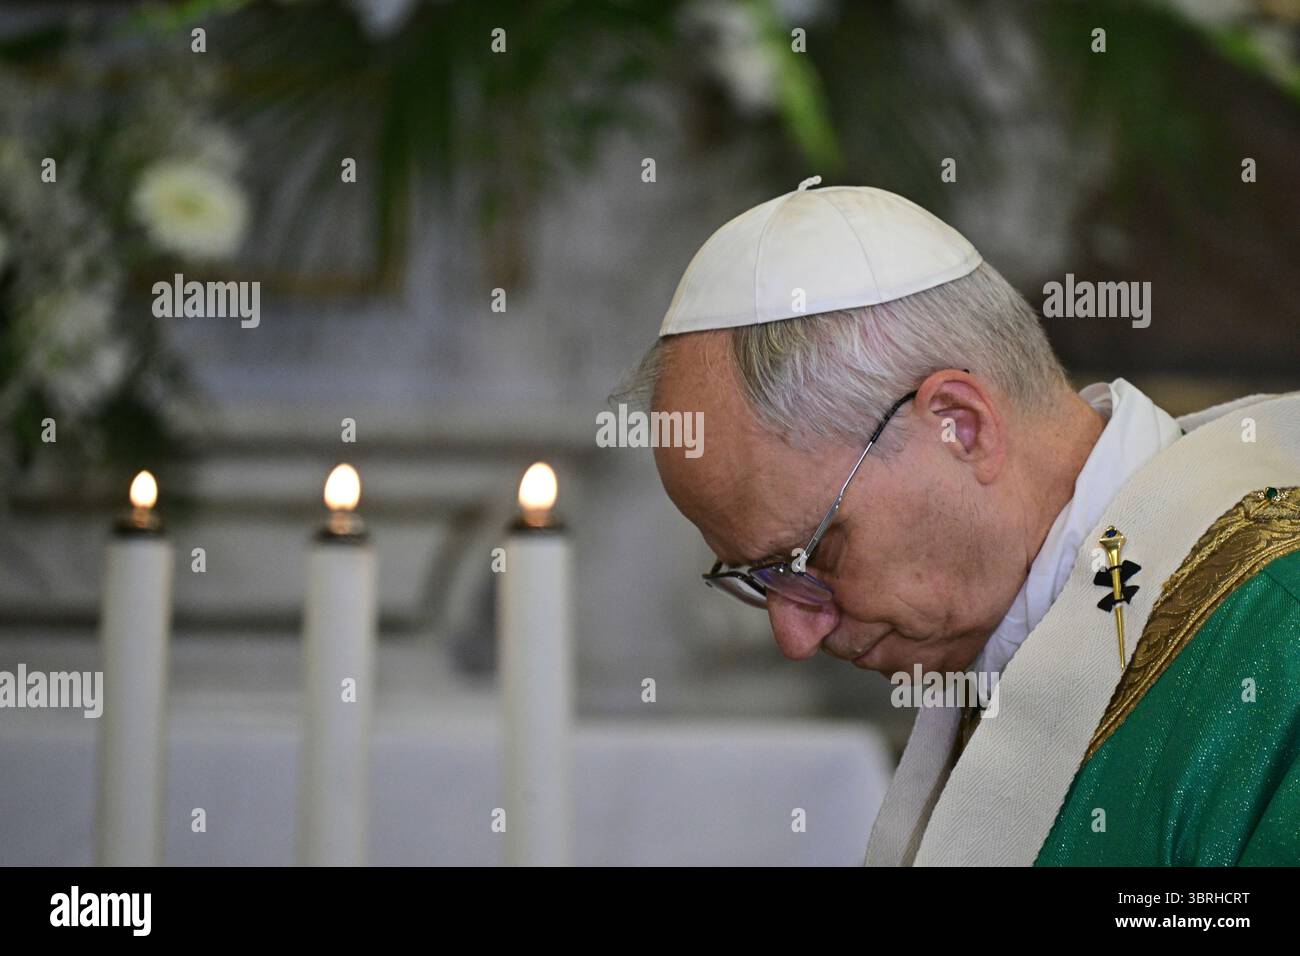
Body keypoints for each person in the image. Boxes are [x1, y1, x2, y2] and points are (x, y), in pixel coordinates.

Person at [617, 180, 1300, 865]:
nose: (795, 636)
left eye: (810, 559)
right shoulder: (1011, 632)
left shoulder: (1277, 631)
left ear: (959, 427)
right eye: (759, 579)